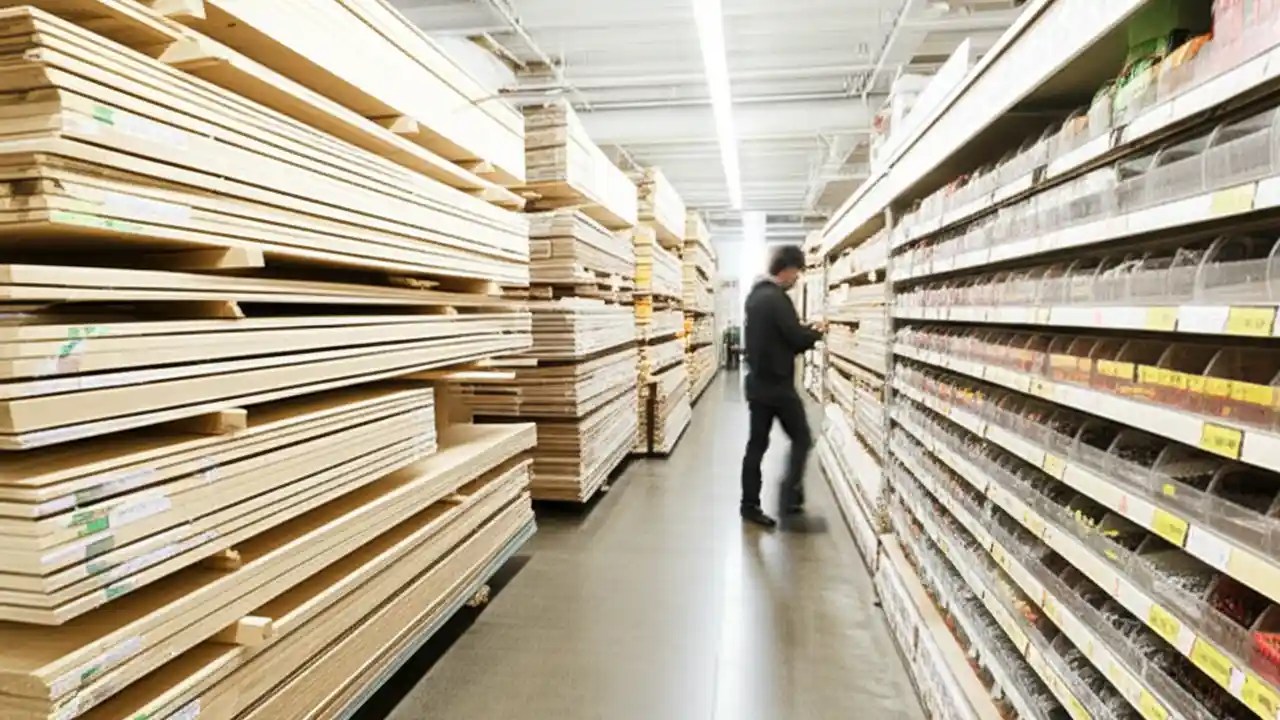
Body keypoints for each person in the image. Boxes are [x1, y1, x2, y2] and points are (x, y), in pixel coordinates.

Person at [739, 244, 826, 528]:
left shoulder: (755, 297)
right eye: (797, 273)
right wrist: (816, 332)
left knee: (756, 446)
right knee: (802, 438)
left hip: (757, 384)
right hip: (778, 387)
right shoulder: (777, 300)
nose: (797, 279)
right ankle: (789, 496)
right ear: (787, 270)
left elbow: (777, 334)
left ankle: (749, 504)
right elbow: (794, 337)